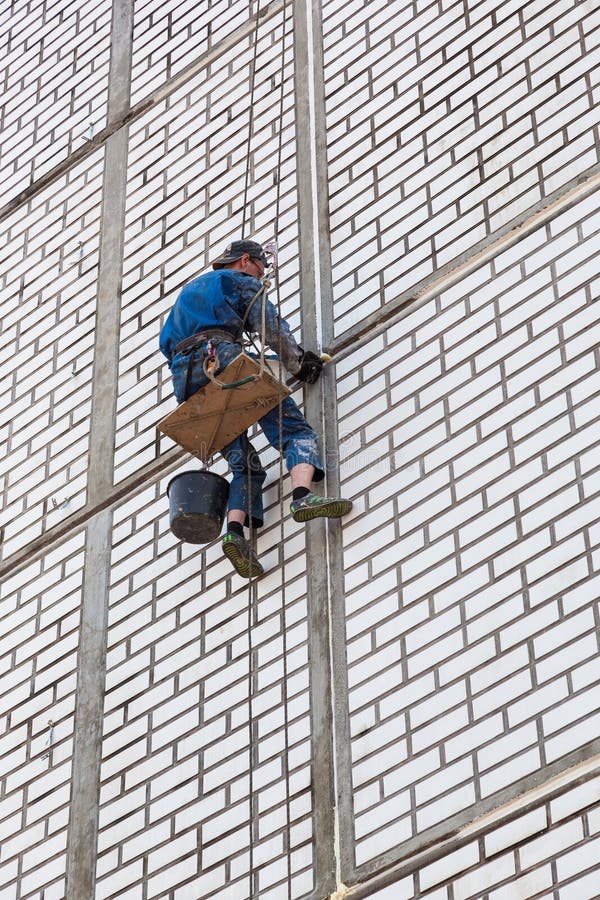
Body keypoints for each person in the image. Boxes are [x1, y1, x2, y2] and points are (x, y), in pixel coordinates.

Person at [159, 239, 352, 578]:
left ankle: (234, 534)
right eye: (261, 268)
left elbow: (169, 346)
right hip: (223, 358)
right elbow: (269, 325)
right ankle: (303, 496)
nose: (262, 275)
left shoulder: (187, 297)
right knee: (295, 432)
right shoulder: (237, 281)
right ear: (245, 261)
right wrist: (297, 364)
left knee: (244, 465)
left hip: (186, 379)